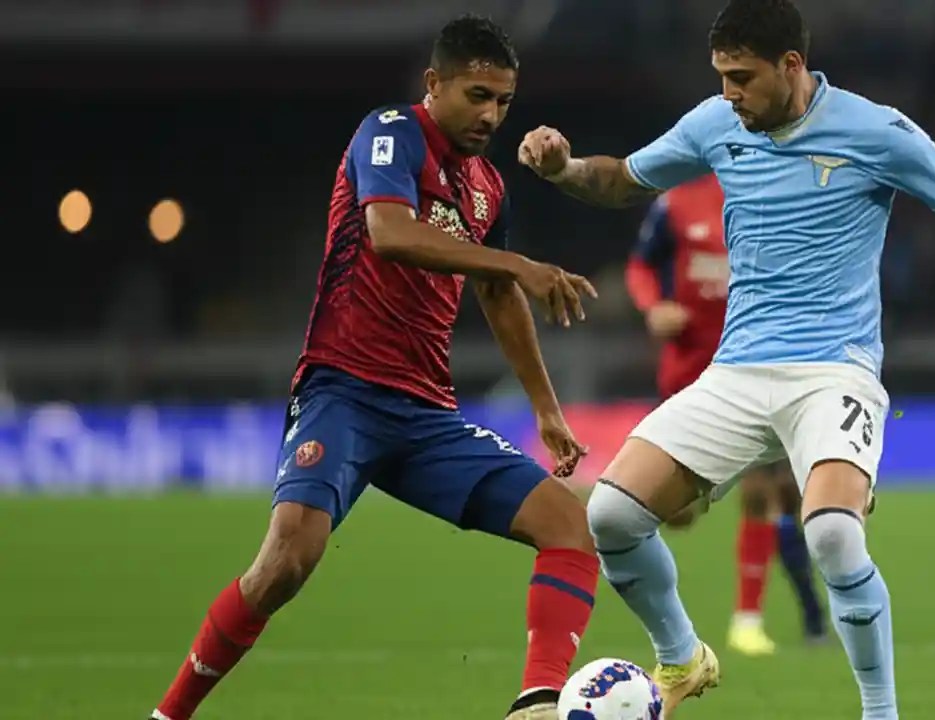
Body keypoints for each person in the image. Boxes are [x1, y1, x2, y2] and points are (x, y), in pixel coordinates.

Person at [518, 1, 935, 716]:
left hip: (835, 372)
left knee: (830, 532)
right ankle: (681, 659)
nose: (729, 94)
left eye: (742, 77)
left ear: (791, 66)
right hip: (737, 371)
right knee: (610, 515)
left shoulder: (874, 130)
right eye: (721, 78)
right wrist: (564, 167)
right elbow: (622, 180)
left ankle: (880, 712)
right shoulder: (715, 124)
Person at [148, 16, 600, 720]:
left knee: (567, 525)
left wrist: (546, 407)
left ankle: (536, 702)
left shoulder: (487, 187)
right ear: (435, 84)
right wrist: (515, 261)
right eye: (478, 95)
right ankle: (168, 714)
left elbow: (498, 297)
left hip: (426, 416)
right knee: (285, 566)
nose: (491, 115)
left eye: (504, 102)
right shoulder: (389, 132)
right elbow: (389, 234)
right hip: (344, 392)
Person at [626, 173, 827, 654]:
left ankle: (749, 619)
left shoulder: (779, 195)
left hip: (758, 369)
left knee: (769, 491)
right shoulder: (678, 203)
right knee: (681, 514)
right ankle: (811, 610)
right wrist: (655, 307)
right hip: (688, 376)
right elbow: (640, 266)